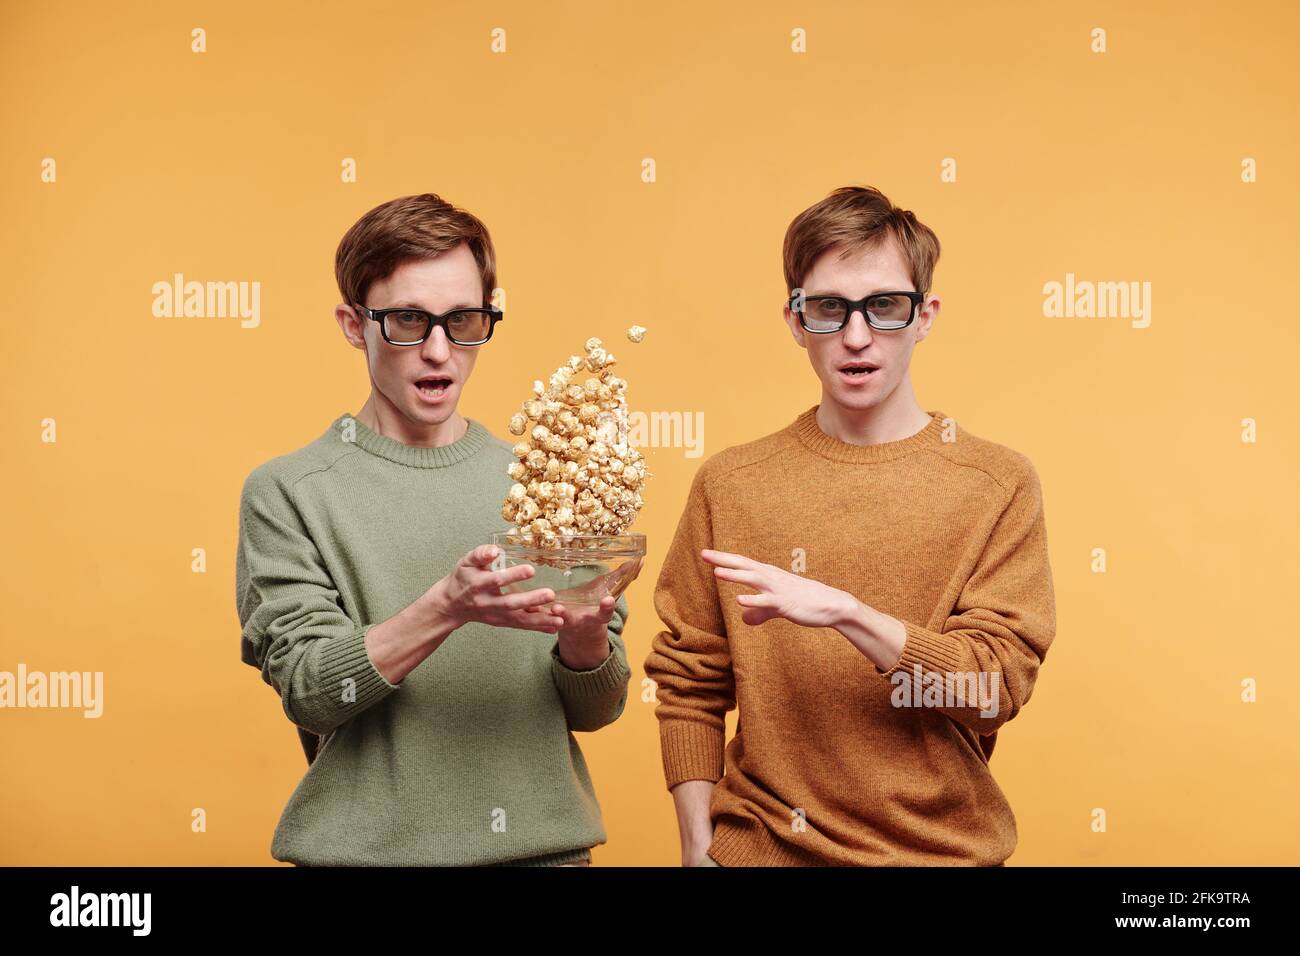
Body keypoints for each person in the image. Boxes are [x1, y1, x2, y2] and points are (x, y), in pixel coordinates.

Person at [644, 185, 1057, 867]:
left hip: (941, 856)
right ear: (796, 320)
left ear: (925, 316)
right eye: (830, 309)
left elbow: (994, 690)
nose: (856, 336)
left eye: (884, 307)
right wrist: (697, 843)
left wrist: (849, 615)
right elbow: (690, 678)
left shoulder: (998, 482)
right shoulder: (732, 483)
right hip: (761, 853)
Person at [236, 192, 638, 866]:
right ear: (351, 322)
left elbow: (596, 710)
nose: (438, 351)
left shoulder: (546, 484)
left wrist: (586, 638)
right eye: (407, 320)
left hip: (546, 855)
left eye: (464, 320)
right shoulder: (289, 492)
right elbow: (311, 692)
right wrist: (445, 609)